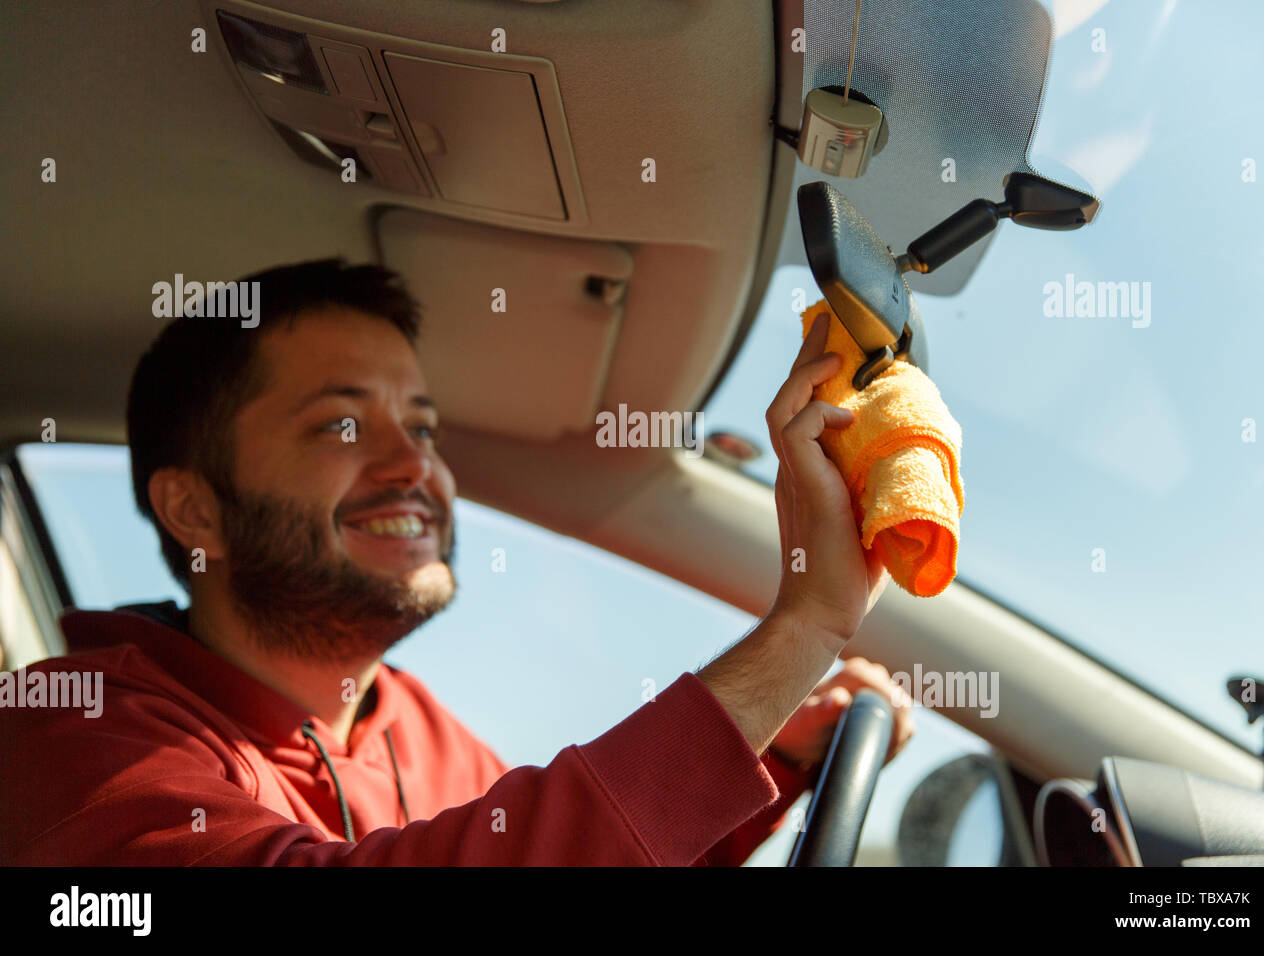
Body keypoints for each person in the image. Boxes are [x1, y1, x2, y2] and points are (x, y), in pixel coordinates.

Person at [0, 258, 913, 865]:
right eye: (342, 424)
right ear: (195, 507)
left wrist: (781, 757)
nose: (417, 467)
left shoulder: (416, 727)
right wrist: (803, 630)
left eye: (424, 428)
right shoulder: (65, 736)